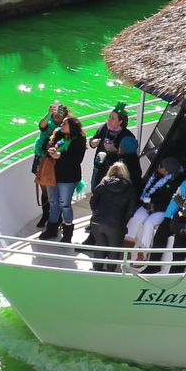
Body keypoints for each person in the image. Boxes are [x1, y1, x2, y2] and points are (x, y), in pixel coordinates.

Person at [44, 109, 87, 242]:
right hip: (54, 175)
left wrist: (60, 155)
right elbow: (49, 147)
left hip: (68, 177)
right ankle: (51, 229)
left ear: (72, 128)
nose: (61, 125)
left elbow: (77, 159)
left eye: (64, 124)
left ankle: (67, 233)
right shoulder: (57, 135)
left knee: (64, 204)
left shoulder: (79, 140)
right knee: (53, 202)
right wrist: (51, 150)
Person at [85, 161, 137, 260]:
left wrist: (95, 212)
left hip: (97, 221)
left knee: (100, 246)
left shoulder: (103, 183)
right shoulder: (129, 188)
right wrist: (123, 221)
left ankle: (97, 269)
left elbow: (93, 200)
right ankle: (109, 272)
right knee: (114, 250)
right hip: (116, 223)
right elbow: (131, 210)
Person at [89, 104, 140, 189]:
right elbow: (93, 139)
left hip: (113, 172)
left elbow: (129, 159)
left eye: (112, 118)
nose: (109, 119)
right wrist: (93, 143)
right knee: (94, 188)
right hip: (98, 167)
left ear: (120, 122)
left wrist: (115, 150)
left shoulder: (127, 136)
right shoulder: (104, 127)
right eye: (110, 116)